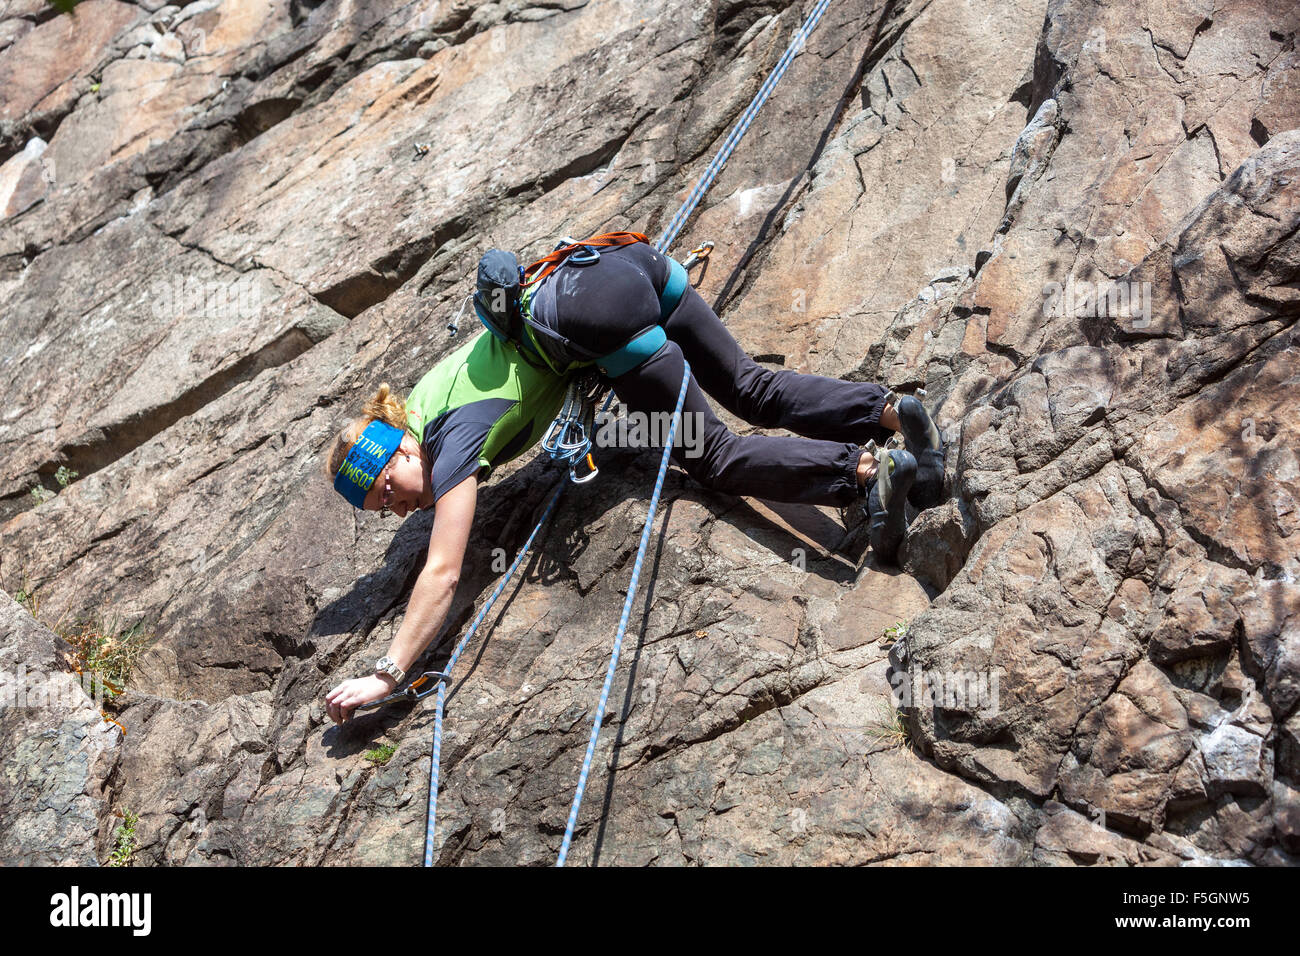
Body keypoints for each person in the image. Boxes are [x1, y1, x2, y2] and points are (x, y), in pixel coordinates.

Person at [322, 237, 945, 722]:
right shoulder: (424, 396)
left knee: (714, 457)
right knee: (751, 386)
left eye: (385, 493)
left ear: (398, 449)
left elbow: (444, 571)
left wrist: (389, 671)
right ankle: (891, 411)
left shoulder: (448, 439)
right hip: (623, 267)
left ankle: (866, 469)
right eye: (384, 510)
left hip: (600, 325)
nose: (399, 509)